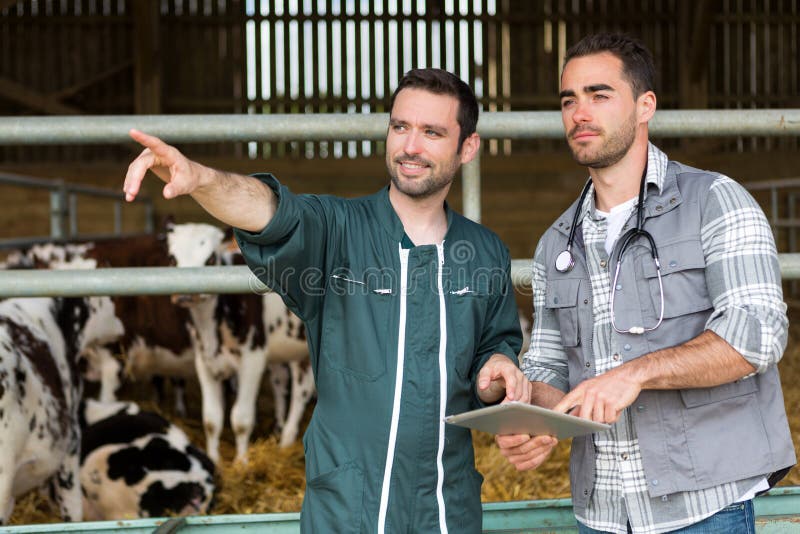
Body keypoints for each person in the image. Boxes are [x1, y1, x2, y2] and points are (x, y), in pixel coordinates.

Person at [123, 68, 531, 533]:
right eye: (400, 127)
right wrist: (200, 179)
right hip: (346, 510)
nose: (410, 146)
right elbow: (270, 212)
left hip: (446, 508)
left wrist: (500, 368)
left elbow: (495, 353)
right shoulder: (337, 231)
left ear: (468, 148)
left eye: (432, 132)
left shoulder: (484, 252)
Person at [497, 33, 796, 534]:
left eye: (599, 95)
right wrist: (536, 418)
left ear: (644, 106)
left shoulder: (716, 201)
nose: (579, 113)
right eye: (568, 99)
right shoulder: (556, 243)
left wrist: (634, 374)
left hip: (706, 508)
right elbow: (548, 365)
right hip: (604, 514)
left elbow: (758, 333)